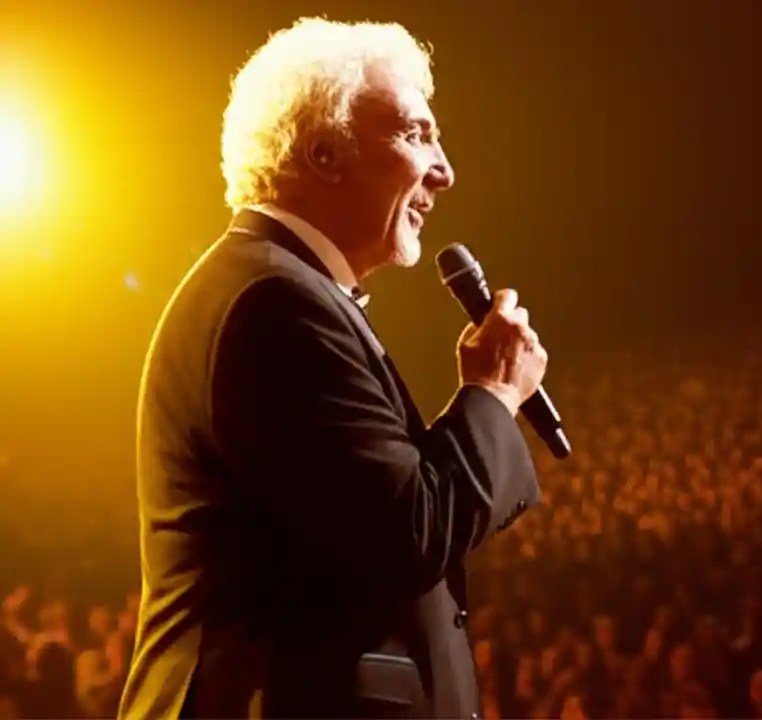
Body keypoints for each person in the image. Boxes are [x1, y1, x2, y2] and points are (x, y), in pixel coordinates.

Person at [118, 17, 546, 719]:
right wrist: (494, 393)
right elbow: (409, 533)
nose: (445, 169)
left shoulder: (275, 286)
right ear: (323, 154)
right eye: (415, 134)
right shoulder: (275, 303)